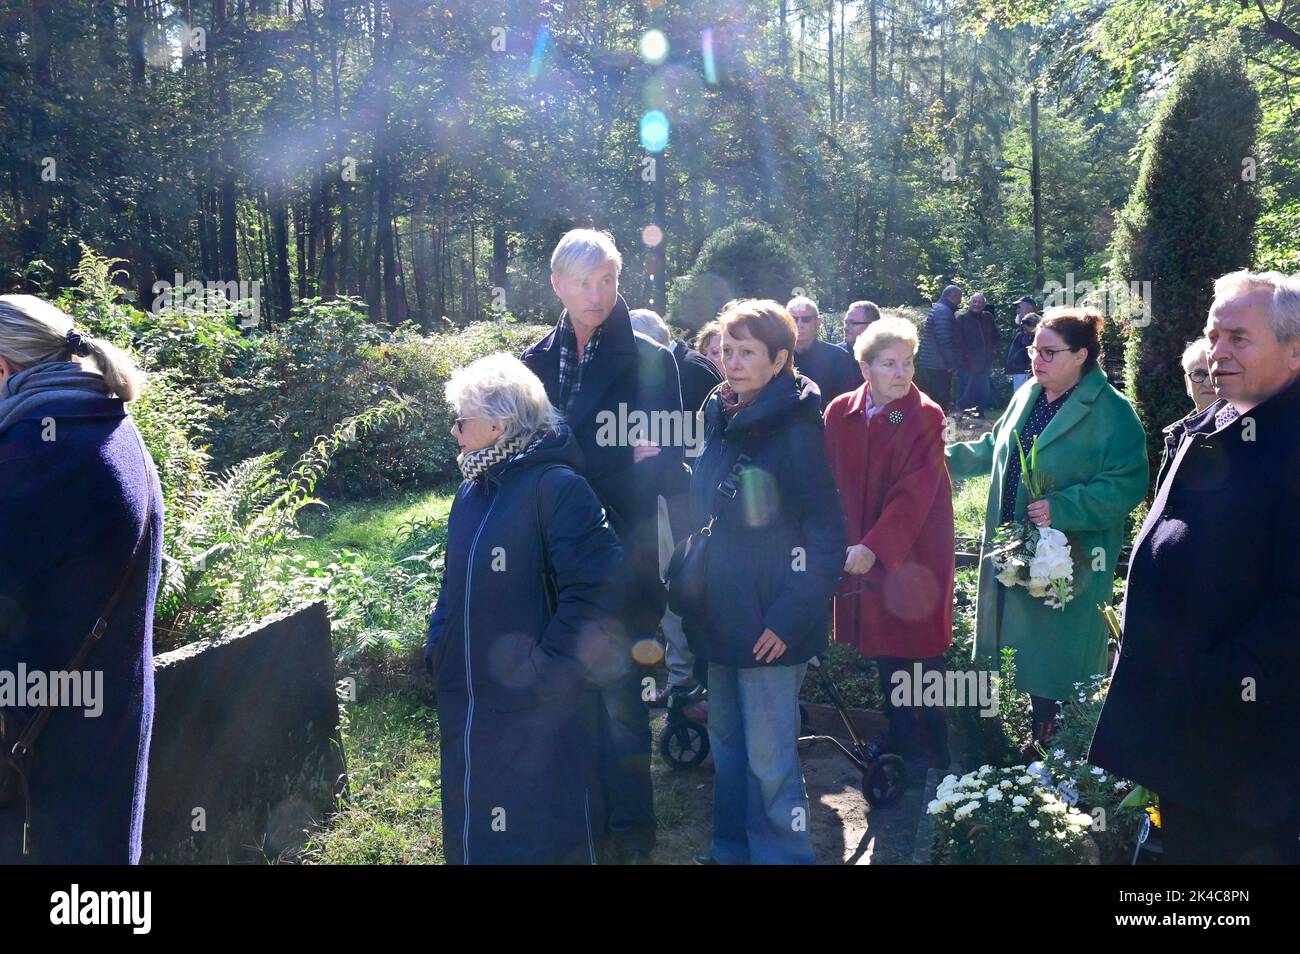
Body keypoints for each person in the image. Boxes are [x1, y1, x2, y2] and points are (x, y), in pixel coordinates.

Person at [1089, 270, 1300, 864]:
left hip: (1247, 754)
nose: (1217, 353)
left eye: (1238, 337)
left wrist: (1208, 679)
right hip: (1185, 737)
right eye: (1213, 336)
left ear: (1294, 348)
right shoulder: (1218, 418)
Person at [522, 229, 684, 863]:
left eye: (608, 280)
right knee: (563, 691)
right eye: (584, 282)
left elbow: (660, 458)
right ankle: (578, 820)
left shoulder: (651, 358)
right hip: (551, 557)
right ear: (558, 285)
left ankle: (633, 835)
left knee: (621, 699)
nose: (597, 295)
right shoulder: (532, 362)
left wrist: (582, 466)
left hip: (621, 550)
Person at [427, 353, 622, 864]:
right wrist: (440, 643)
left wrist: (547, 671)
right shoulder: (472, 489)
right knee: (476, 817)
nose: (455, 431)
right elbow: (452, 586)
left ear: (499, 422)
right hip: (469, 695)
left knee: (539, 827)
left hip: (537, 704)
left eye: (461, 419)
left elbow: (599, 591)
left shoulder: (558, 488)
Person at [0, 295, 161, 865]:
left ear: (3, 368)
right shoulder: (110, 424)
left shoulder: (35, 452)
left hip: (47, 747)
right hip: (107, 715)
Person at [683, 299, 845, 865]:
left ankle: (783, 856)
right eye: (727, 350)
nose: (733, 361)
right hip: (720, 615)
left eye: (748, 351)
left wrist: (788, 618)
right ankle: (730, 850)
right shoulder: (719, 414)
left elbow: (827, 538)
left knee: (770, 759)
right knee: (727, 749)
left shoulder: (798, 431)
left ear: (780, 359)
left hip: (773, 624)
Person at [945, 307, 1147, 748]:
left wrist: (1064, 507)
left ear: (1082, 355)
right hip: (1010, 548)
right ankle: (1019, 748)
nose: (1036, 359)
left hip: (1066, 562)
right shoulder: (1028, 395)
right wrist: (940, 461)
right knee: (1016, 650)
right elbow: (993, 446)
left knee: (1057, 660)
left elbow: (1128, 483)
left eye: (1050, 352)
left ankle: (1058, 755)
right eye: (1035, 349)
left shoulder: (1112, 411)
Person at [823, 317, 955, 770]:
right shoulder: (840, 412)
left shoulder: (926, 415)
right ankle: (902, 739)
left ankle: (936, 748)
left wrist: (874, 546)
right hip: (861, 550)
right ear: (865, 368)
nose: (903, 374)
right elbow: (828, 482)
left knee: (921, 648)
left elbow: (913, 493)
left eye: (908, 362)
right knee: (885, 647)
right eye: (889, 364)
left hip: (915, 551)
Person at [629, 308, 718, 705]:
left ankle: (688, 683)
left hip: (682, 499)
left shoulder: (689, 371)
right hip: (675, 496)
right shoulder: (684, 365)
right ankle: (688, 679)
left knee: (676, 586)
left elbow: (696, 440)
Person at [786, 296, 862, 406]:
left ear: (818, 322)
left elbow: (845, 401)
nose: (799, 324)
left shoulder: (838, 357)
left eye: (806, 319)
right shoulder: (777, 357)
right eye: (794, 319)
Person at [916, 285, 962, 412]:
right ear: (952, 296)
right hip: (938, 363)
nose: (960, 301)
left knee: (936, 396)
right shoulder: (943, 312)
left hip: (932, 361)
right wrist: (950, 363)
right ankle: (939, 424)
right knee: (940, 398)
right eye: (959, 298)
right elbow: (944, 340)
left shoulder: (939, 309)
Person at [955, 292, 998, 416]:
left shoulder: (988, 317)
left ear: (984, 304)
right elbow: (957, 342)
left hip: (984, 363)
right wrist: (963, 358)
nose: (977, 304)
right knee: (965, 392)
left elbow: (996, 336)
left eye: (980, 302)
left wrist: (993, 351)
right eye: (974, 302)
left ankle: (979, 415)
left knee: (983, 392)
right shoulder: (962, 319)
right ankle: (962, 417)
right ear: (970, 303)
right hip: (966, 364)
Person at [1004, 312, 1039, 393]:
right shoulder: (1022, 336)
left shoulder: (1038, 336)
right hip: (1020, 370)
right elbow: (1014, 355)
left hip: (1028, 370)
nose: (1026, 331)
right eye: (1024, 329)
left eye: (1027, 329)